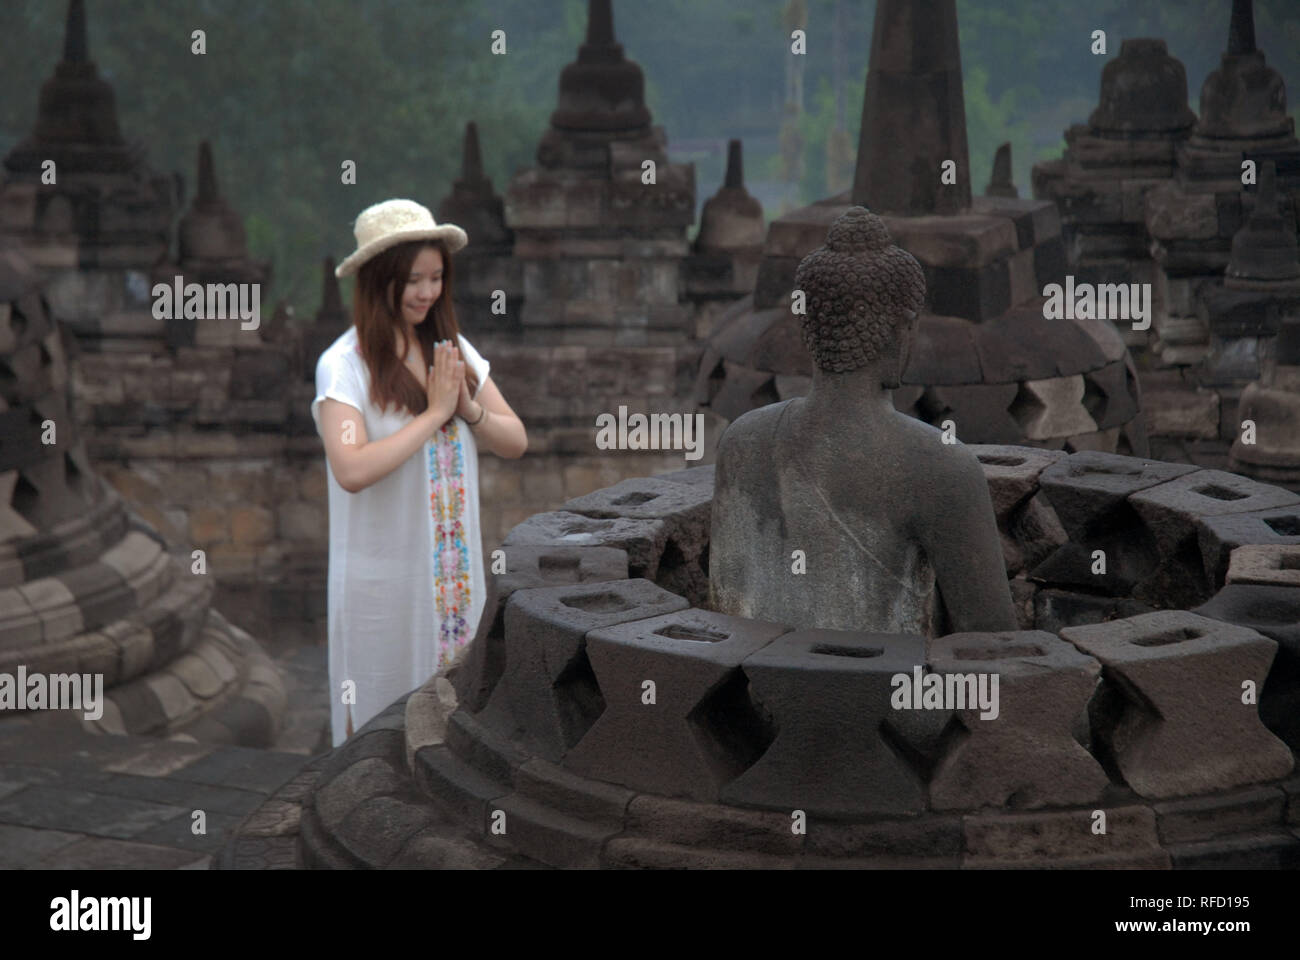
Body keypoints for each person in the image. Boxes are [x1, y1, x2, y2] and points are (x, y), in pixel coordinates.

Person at [710, 205, 1017, 637]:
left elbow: (725, 608)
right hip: (888, 701)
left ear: (808, 326)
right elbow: (993, 642)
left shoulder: (741, 441)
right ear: (900, 330)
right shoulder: (941, 467)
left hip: (743, 694)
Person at [311, 198, 526, 747]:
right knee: (379, 736)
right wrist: (433, 415)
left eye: (435, 278)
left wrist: (467, 409)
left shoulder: (451, 352)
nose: (427, 292)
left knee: (450, 728)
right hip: (381, 586)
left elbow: (515, 440)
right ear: (378, 281)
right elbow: (351, 468)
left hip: (452, 587)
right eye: (413, 280)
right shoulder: (344, 366)